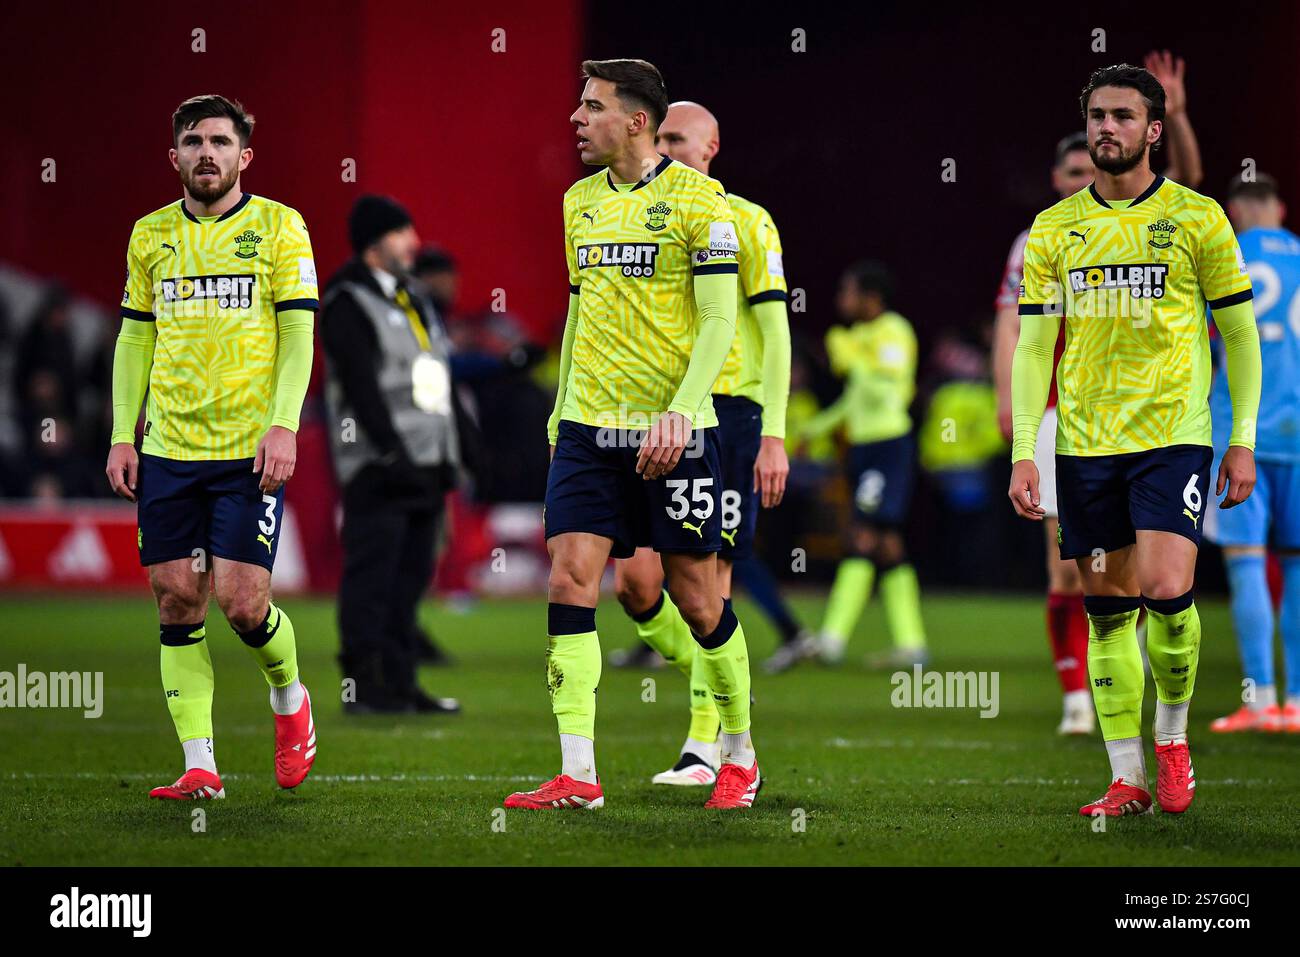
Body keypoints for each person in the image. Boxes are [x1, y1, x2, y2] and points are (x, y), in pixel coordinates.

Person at [503, 58, 761, 811]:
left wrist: (681, 410)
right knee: (570, 579)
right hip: (588, 428)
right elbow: (580, 314)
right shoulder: (578, 202)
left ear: (636, 121)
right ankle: (578, 774)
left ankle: (739, 753)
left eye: (592, 107)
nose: (577, 120)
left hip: (674, 431)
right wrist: (560, 416)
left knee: (696, 596)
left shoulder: (702, 202)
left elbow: (718, 320)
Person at [1009, 64, 1261, 817]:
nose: (1105, 128)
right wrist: (1028, 446)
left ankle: (1174, 738)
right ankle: (1127, 777)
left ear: (1154, 130)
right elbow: (1032, 348)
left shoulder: (1197, 217)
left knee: (1164, 590)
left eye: (1122, 115)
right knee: (1109, 608)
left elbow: (1241, 336)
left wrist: (1239, 438)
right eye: (1096, 116)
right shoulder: (1056, 227)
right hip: (1085, 443)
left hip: (1173, 435)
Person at [106, 94, 318, 800]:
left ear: (243, 156)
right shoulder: (149, 236)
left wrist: (283, 422)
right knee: (175, 599)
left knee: (243, 603)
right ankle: (200, 765)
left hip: (247, 449)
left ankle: (290, 697)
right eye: (193, 141)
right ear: (174, 156)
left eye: (220, 142)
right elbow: (135, 336)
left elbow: (297, 337)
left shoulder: (281, 228)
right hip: (168, 447)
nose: (207, 152)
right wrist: (120, 432)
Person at [992, 52, 1204, 737]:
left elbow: (1191, 188)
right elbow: (1015, 333)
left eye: (1123, 122)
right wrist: (1013, 412)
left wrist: (1181, 112)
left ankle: (1142, 702)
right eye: (1081, 160)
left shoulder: (1171, 216)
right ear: (1062, 176)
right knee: (1076, 578)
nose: (1093, 166)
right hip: (1064, 416)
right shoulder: (1042, 238)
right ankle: (1080, 696)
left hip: (1157, 419)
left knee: (1154, 580)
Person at [595, 99, 798, 787]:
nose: (670, 146)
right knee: (635, 584)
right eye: (663, 136)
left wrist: (773, 432)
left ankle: (707, 742)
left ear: (713, 146)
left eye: (681, 137)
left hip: (727, 415)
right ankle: (721, 685)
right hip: (644, 414)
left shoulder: (742, 218)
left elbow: (775, 333)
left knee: (709, 583)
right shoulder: (626, 211)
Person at [321, 195, 462, 715]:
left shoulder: (413, 296)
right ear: (376, 242)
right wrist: (390, 452)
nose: (415, 243)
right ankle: (362, 689)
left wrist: (459, 446)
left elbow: (435, 375)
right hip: (376, 465)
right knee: (371, 579)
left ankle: (402, 683)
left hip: (426, 460)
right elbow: (360, 388)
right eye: (404, 232)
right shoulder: (345, 299)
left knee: (409, 580)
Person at [797, 262, 927, 670]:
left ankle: (832, 639)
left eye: (847, 292)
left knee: (860, 535)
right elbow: (855, 400)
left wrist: (853, 359)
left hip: (889, 445)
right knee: (888, 545)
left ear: (871, 297)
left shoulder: (895, 331)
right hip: (864, 448)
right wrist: (815, 428)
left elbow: (891, 391)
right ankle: (912, 644)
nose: (841, 300)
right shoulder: (857, 337)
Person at [1206, 174, 1300, 734]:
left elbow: (1213, 340)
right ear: (1281, 208)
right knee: (1295, 567)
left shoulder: (1228, 253)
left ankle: (1258, 698)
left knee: (1244, 565)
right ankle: (1297, 701)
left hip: (1241, 433)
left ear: (1237, 210)